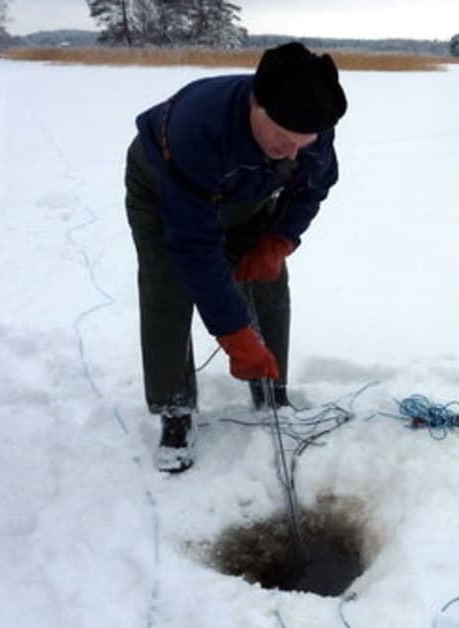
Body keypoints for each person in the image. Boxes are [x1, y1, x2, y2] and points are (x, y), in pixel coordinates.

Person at [124, 42, 347, 473]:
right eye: (283, 140)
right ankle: (175, 411)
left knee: (266, 277)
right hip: (164, 186)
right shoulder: (199, 128)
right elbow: (194, 245)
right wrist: (232, 333)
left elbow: (314, 185)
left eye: (305, 143)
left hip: (249, 187)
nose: (294, 152)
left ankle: (271, 387)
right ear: (256, 105)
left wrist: (279, 240)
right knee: (168, 285)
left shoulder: (309, 120)